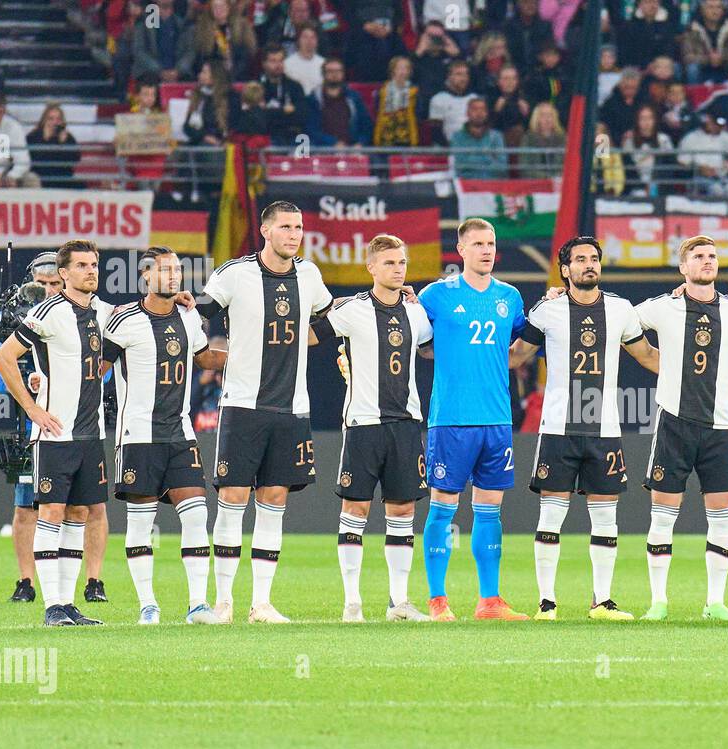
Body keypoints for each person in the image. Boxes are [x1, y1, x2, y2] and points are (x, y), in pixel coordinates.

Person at [192, 201, 335, 624]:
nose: (294, 234)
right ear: (266, 230)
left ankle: (261, 603)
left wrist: (298, 340)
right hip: (242, 405)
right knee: (232, 499)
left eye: (300, 227)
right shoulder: (234, 274)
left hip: (292, 409)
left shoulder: (309, 275)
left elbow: (332, 318)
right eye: (286, 226)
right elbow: (196, 315)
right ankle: (223, 601)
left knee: (274, 500)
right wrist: (212, 355)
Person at [507, 237, 660, 620]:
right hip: (559, 427)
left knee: (606, 516)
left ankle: (602, 601)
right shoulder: (548, 310)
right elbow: (515, 356)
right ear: (565, 269)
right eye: (580, 260)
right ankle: (547, 602)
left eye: (594, 259)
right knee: (551, 516)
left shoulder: (621, 310)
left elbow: (646, 356)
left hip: (605, 429)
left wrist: (696, 367)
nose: (589, 265)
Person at [636, 236, 728, 621]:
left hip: (720, 427)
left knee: (722, 515)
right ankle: (658, 602)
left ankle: (715, 603)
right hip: (674, 423)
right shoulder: (663, 307)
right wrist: (561, 298)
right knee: (663, 513)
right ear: (683, 267)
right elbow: (618, 322)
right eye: (698, 257)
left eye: (712, 256)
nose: (706, 261)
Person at [100, 248, 227, 625]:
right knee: (141, 523)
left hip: (180, 434)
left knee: (197, 514)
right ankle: (148, 605)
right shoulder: (122, 320)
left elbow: (204, 359)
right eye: (166, 270)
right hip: (137, 436)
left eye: (177, 270)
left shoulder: (189, 317)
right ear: (145, 276)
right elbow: (98, 370)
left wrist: (248, 356)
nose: (174, 276)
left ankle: (197, 605)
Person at [309, 235, 432, 622]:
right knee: (356, 507)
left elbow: (429, 346)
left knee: (402, 509)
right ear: (372, 268)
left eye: (402, 263)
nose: (398, 269)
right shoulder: (352, 310)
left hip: (407, 423)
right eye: (390, 263)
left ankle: (399, 602)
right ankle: (352, 602)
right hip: (363, 423)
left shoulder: (417, 313)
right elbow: (311, 335)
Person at [0, 240, 112, 627]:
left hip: (91, 433)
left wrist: (178, 301)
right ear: (64, 274)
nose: (90, 271)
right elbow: (3, 358)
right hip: (57, 434)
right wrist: (32, 409)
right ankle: (52, 606)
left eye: (94, 264)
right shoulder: (48, 311)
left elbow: (140, 316)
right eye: (81, 265)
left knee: (79, 512)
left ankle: (68, 605)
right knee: (52, 512)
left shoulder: (102, 312)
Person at [415, 218, 530, 621]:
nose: (487, 250)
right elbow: (414, 337)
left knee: (490, 509)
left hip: (496, 418)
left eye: (492, 243)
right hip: (450, 418)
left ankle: (490, 601)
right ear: (460, 250)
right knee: (443, 506)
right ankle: (437, 600)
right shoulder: (436, 296)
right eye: (478, 243)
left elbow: (522, 344)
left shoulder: (510, 297)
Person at [305, 56, 372, 146]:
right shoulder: (313, 99)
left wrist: (360, 143)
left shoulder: (354, 98)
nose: (334, 75)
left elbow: (366, 125)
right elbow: (311, 130)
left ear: (343, 73)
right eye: (330, 71)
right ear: (323, 74)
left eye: (338, 71)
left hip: (353, 149)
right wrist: (332, 143)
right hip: (323, 150)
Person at [258, 43, 308, 145]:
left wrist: (271, 112)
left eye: (281, 60)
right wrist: (284, 110)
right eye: (273, 61)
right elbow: (258, 118)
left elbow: (302, 115)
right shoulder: (257, 88)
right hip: (268, 136)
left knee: (305, 143)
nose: (278, 65)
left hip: (293, 135)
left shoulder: (295, 86)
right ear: (264, 64)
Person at [450, 97, 507, 179]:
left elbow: (502, 166)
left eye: (483, 109)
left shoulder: (497, 136)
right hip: (466, 182)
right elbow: (460, 164)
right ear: (467, 113)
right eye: (475, 109)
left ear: (487, 113)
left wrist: (471, 158)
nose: (479, 113)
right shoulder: (457, 136)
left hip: (492, 183)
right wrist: (487, 157)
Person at [26, 104, 81, 189]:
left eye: (58, 119)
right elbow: (34, 160)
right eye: (51, 119)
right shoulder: (34, 136)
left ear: (62, 121)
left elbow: (75, 159)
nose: (55, 122)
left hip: (63, 179)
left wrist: (64, 144)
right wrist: (45, 140)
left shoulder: (67, 137)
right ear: (44, 120)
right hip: (40, 179)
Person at [622, 103, 673, 194]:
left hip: (660, 187)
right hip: (636, 187)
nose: (647, 122)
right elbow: (628, 170)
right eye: (643, 118)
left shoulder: (664, 139)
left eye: (650, 118)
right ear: (637, 121)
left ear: (655, 120)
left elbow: (669, 167)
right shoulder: (629, 142)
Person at [427, 60, 478, 143]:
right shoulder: (438, 99)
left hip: (473, 147)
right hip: (448, 148)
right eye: (459, 74)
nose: (463, 78)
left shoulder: (474, 98)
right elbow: (436, 131)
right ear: (449, 76)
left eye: (466, 74)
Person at [519, 101, 565, 178]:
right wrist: (545, 177)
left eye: (550, 115)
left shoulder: (563, 138)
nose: (547, 119)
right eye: (543, 115)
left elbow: (569, 165)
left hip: (558, 182)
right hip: (534, 183)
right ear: (536, 118)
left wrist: (556, 177)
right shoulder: (528, 138)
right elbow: (524, 167)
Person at [284, 22, 326, 96]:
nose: (309, 41)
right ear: (298, 40)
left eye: (313, 37)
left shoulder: (324, 63)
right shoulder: (287, 63)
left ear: (317, 41)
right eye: (305, 37)